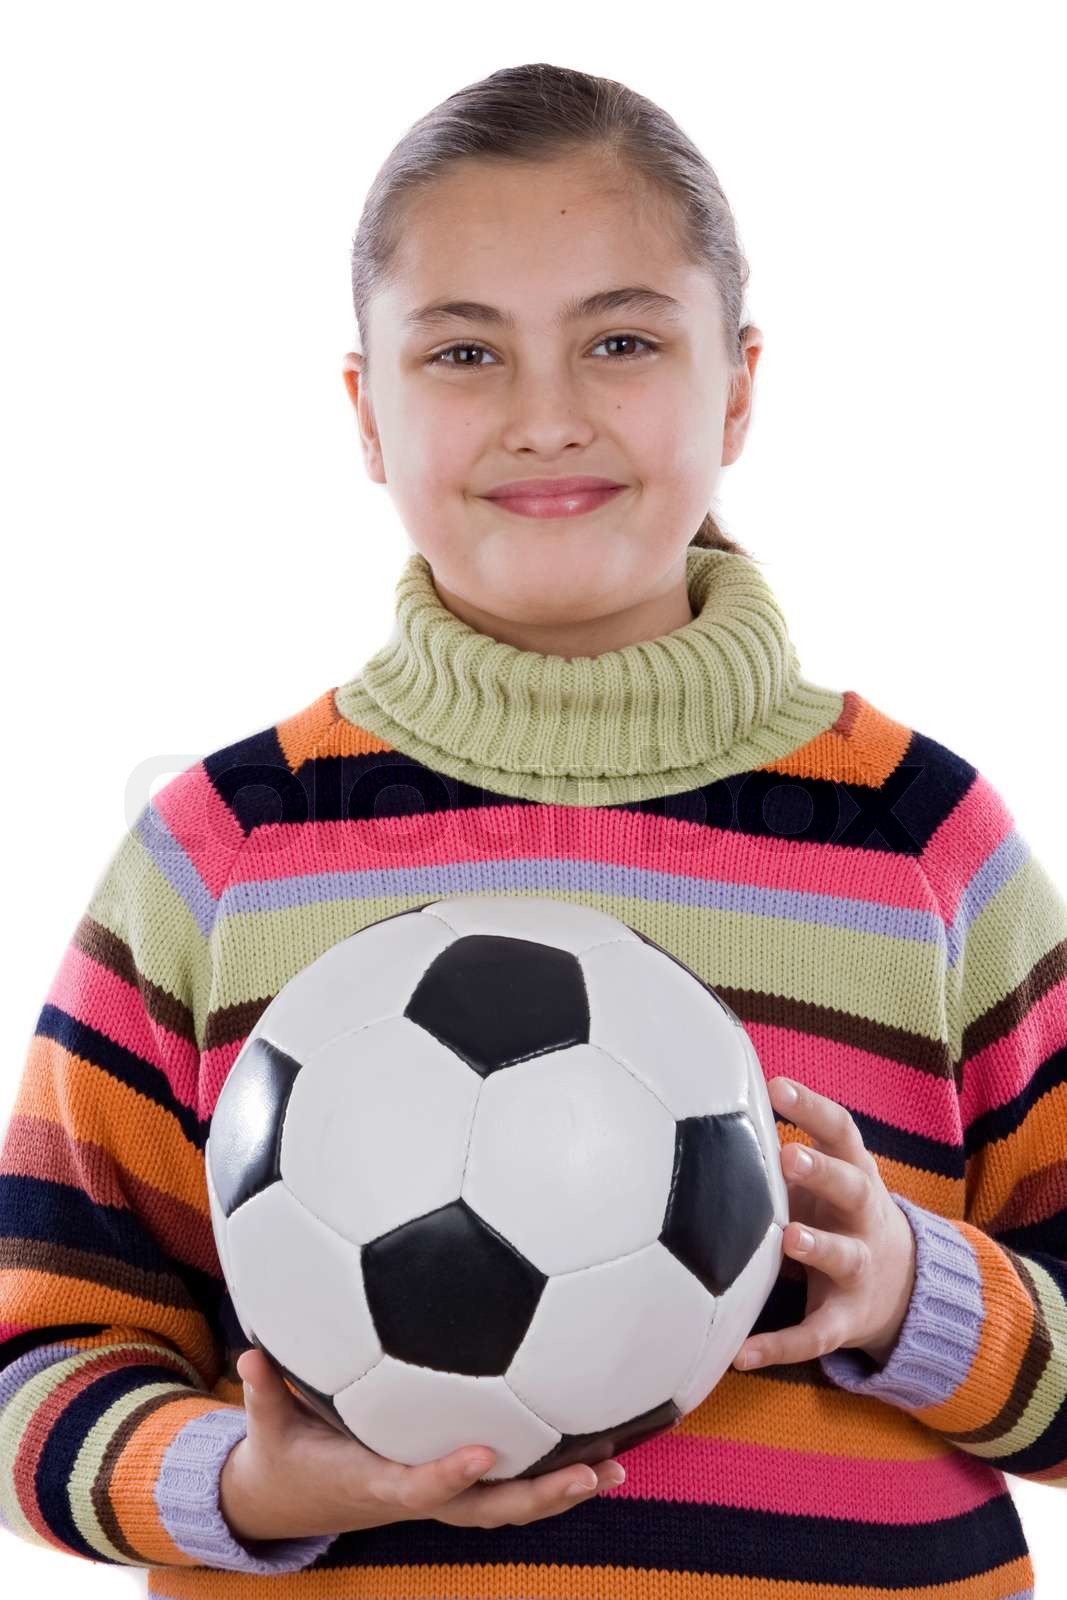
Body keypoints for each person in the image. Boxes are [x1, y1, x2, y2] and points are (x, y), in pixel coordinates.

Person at [1, 58, 1064, 1600]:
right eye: (464, 353)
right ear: (367, 412)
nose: (547, 416)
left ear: (742, 386)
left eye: (621, 340)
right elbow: (37, 1362)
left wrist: (916, 1296)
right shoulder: (218, 853)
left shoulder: (926, 840)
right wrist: (239, 1478)